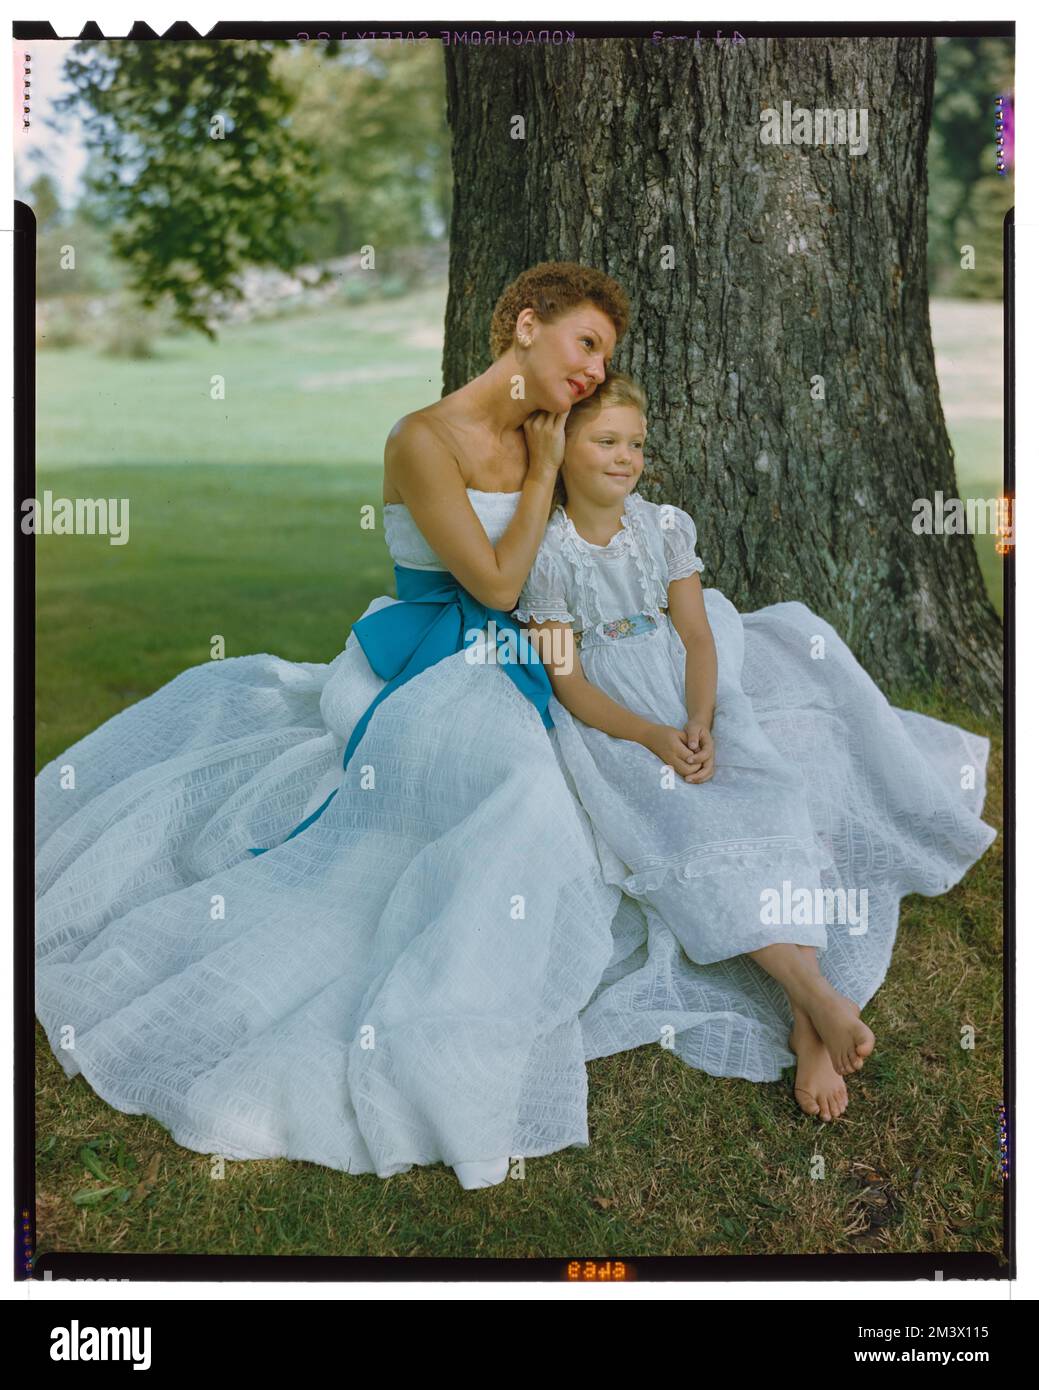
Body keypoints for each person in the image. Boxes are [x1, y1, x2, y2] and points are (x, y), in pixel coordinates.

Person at [35, 261, 639, 1191]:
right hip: (412, 666)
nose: (596, 369)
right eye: (585, 342)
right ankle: (435, 1038)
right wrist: (547, 473)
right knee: (521, 792)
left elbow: (573, 558)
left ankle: (467, 985)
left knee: (558, 790)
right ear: (526, 325)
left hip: (511, 657)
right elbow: (494, 584)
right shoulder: (422, 438)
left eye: (608, 355)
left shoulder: (547, 434)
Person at [513, 370, 999, 1122]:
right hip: (614, 721)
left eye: (635, 443)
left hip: (689, 690)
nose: (624, 457)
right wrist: (651, 736)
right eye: (604, 441)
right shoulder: (545, 556)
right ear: (558, 445)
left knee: (769, 802)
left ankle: (811, 1019)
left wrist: (700, 718)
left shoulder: (663, 526)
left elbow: (698, 635)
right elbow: (570, 685)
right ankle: (814, 1002)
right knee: (690, 826)